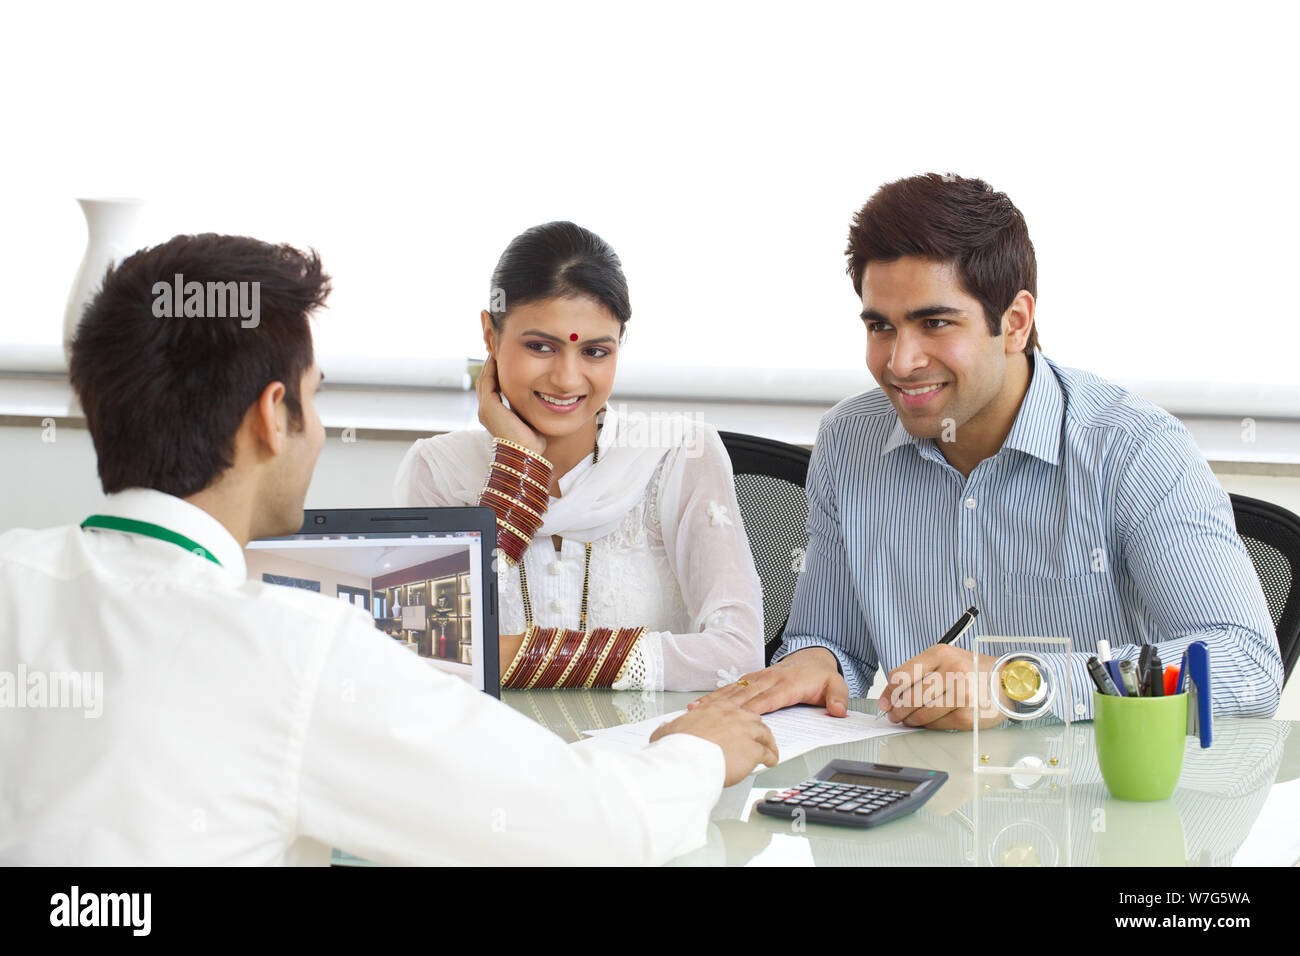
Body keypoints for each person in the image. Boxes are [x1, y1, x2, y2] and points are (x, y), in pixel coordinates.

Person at [0, 233, 778, 866]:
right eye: (317, 393)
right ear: (275, 417)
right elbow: (594, 832)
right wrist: (693, 753)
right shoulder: (300, 653)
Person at [698, 173, 1282, 729]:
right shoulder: (850, 440)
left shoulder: (1132, 449)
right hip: (916, 810)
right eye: (880, 327)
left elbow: (1245, 664)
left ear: (1015, 322)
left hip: (1086, 814)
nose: (900, 363)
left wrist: (1016, 685)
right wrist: (815, 662)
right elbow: (832, 640)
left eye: (935, 323)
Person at [393, 221, 765, 691]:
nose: (567, 380)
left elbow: (738, 654)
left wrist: (507, 655)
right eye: (540, 347)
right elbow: (417, 655)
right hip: (489, 755)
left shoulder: (678, 456)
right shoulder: (438, 472)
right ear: (489, 334)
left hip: (646, 754)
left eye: (594, 351)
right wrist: (517, 472)